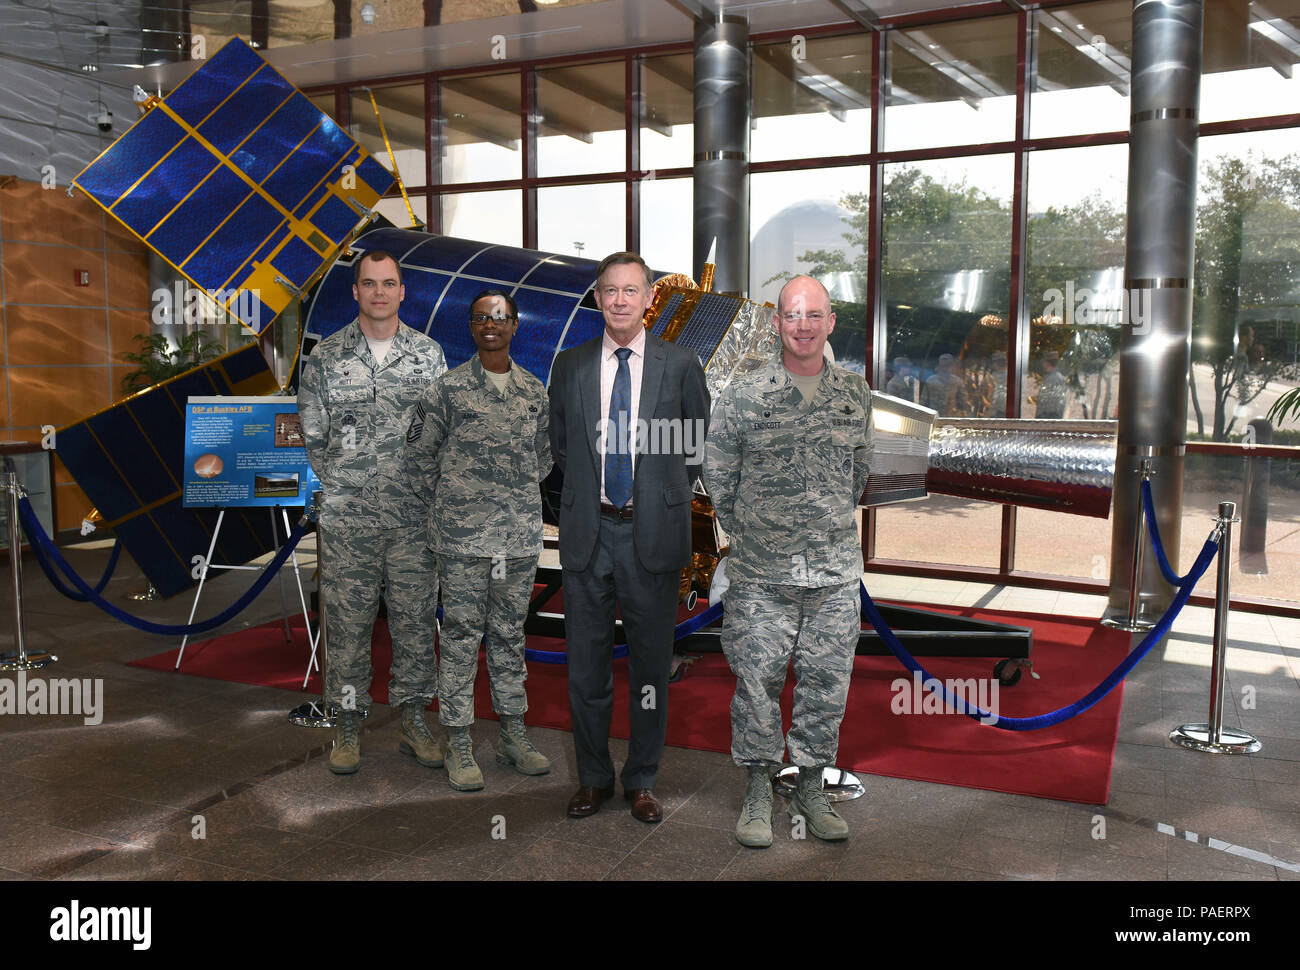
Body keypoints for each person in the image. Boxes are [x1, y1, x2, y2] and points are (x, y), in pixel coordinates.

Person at [703, 275, 873, 848]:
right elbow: (718, 474)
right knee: (756, 682)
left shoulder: (855, 393)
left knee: (827, 682)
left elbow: (857, 475)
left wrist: (817, 523)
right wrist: (757, 531)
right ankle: (758, 785)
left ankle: (809, 786)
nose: (802, 325)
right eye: (791, 314)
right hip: (762, 575)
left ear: (830, 323)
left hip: (832, 572)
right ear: (776, 323)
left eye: (814, 314)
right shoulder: (745, 393)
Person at [547, 251, 710, 823]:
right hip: (588, 537)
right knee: (586, 670)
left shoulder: (682, 363)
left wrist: (656, 492)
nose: (619, 300)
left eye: (630, 291)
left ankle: (641, 779)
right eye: (609, 290)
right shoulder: (569, 366)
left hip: (651, 538)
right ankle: (592, 778)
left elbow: (693, 448)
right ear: (597, 299)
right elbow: (564, 447)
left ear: (648, 299)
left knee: (649, 671)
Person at [298, 250, 448, 775]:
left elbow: (438, 433)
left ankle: (412, 722)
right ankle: (345, 726)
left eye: (389, 283)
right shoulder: (327, 357)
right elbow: (314, 434)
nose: (379, 292)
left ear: (403, 291)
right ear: (355, 292)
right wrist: (346, 484)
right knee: (346, 626)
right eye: (369, 284)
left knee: (413, 624)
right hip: (348, 523)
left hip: (412, 520)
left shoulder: (429, 356)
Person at [405, 289, 553, 791]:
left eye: (500, 318)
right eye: (480, 319)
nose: (491, 325)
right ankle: (460, 741)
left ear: (514, 326)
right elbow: (419, 458)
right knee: (463, 638)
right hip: (464, 541)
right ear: (471, 327)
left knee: (511, 637)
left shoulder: (534, 392)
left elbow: (543, 460)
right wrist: (457, 501)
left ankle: (514, 732)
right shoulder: (445, 391)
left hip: (516, 540)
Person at [1036, 352, 1067, 419]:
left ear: (1048, 363)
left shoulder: (1054, 378)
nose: (1043, 364)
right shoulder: (1053, 377)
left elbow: (1050, 402)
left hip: (1049, 418)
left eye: (1044, 362)